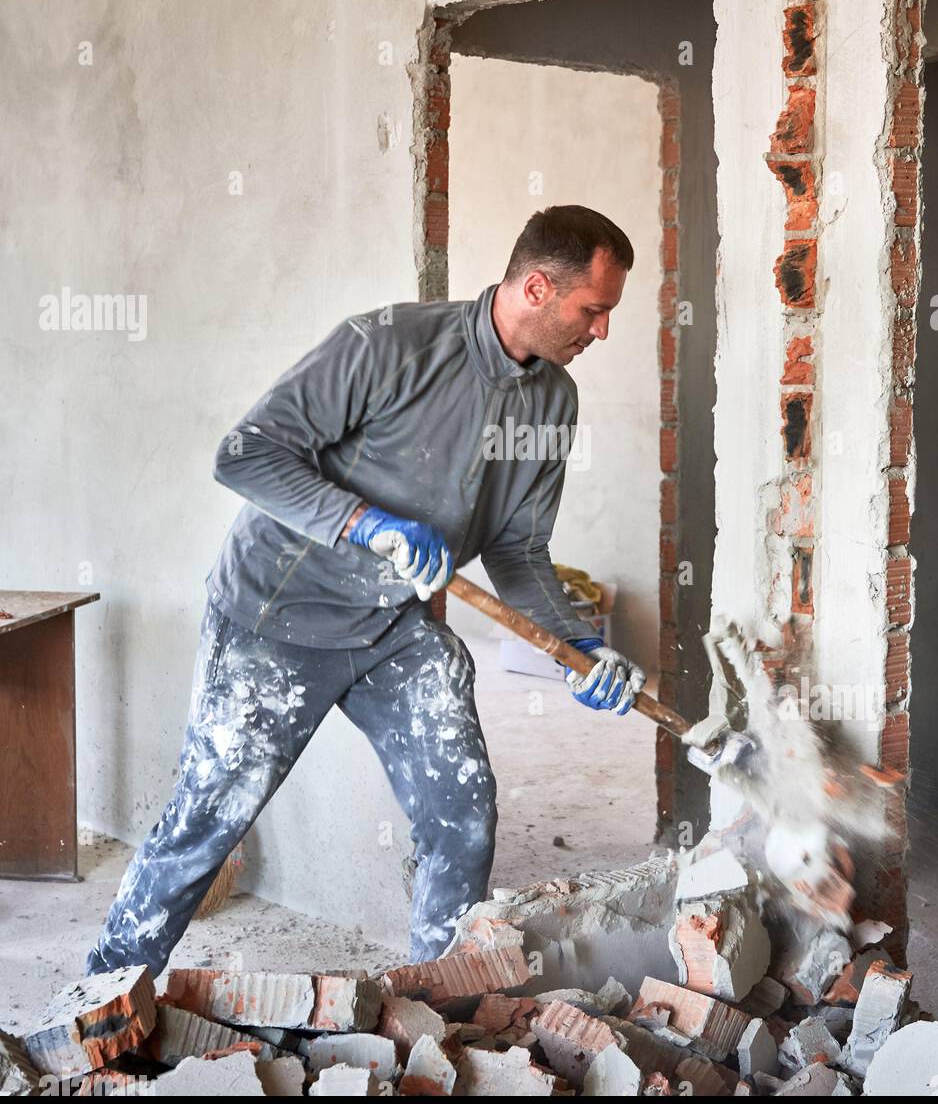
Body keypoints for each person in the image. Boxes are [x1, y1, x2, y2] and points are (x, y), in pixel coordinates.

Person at [85, 204, 647, 977]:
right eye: (594, 310)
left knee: (463, 814)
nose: (602, 331)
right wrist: (364, 523)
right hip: (278, 614)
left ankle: (445, 997)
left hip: (393, 629)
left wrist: (576, 646)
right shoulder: (386, 345)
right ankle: (106, 995)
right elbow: (244, 454)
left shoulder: (554, 401)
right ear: (538, 289)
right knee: (208, 820)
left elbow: (517, 547)